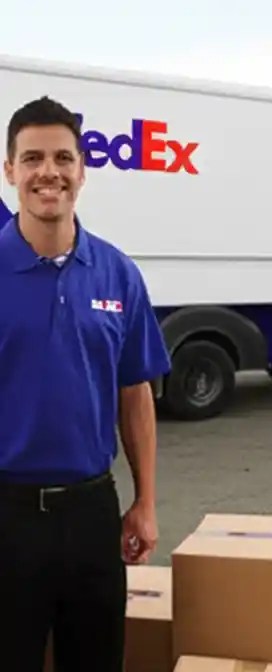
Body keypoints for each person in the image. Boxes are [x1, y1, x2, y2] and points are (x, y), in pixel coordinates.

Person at [0, 97, 171, 671]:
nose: (48, 172)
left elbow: (135, 394)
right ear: (10, 171)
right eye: (32, 158)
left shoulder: (118, 273)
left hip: (92, 512)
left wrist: (144, 502)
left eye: (62, 157)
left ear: (82, 170)